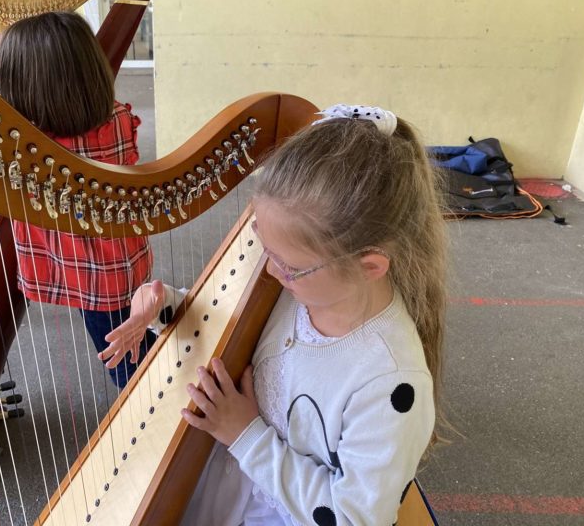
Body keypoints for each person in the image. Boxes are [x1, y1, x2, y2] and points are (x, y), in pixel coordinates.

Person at [101, 104, 448, 525]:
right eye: (263, 247)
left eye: (288, 265)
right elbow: (219, 322)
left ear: (368, 266)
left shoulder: (390, 380)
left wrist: (245, 435)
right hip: (233, 486)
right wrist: (162, 307)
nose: (268, 271)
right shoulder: (297, 292)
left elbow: (356, 516)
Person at [0, 12, 153, 388]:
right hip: (123, 263)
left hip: (85, 276)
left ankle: (157, 408)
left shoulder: (24, 147)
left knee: (126, 365)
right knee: (132, 339)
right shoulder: (116, 119)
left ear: (27, 87)